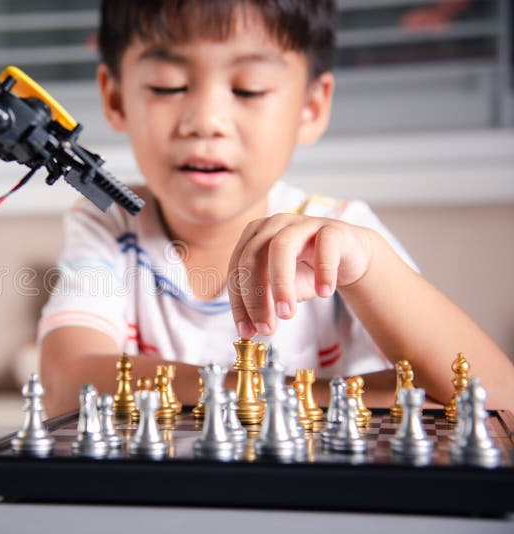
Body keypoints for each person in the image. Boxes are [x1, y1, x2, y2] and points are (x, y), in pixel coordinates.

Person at [37, 0, 514, 416]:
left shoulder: (346, 238)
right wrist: (283, 393)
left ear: (312, 107)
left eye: (248, 89)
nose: (206, 121)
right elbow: (66, 384)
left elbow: (498, 399)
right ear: (115, 98)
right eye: (167, 86)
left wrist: (372, 271)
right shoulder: (106, 224)